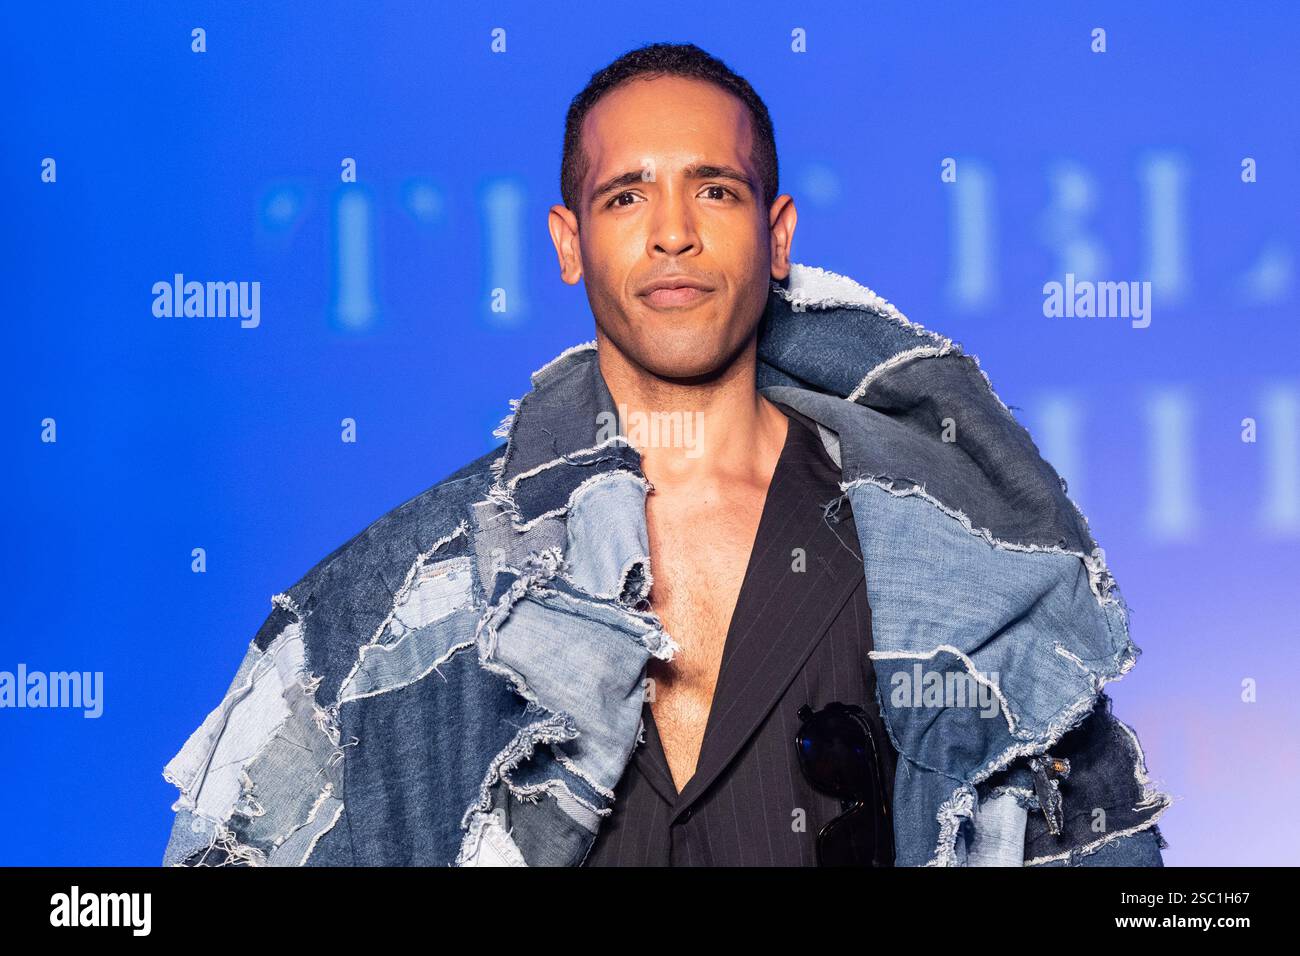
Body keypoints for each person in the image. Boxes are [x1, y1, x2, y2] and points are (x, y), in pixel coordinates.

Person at [161, 42, 1170, 868]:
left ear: (777, 236)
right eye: (626, 197)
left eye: (715, 191)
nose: (674, 234)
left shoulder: (952, 570)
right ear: (566, 243)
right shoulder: (398, 606)